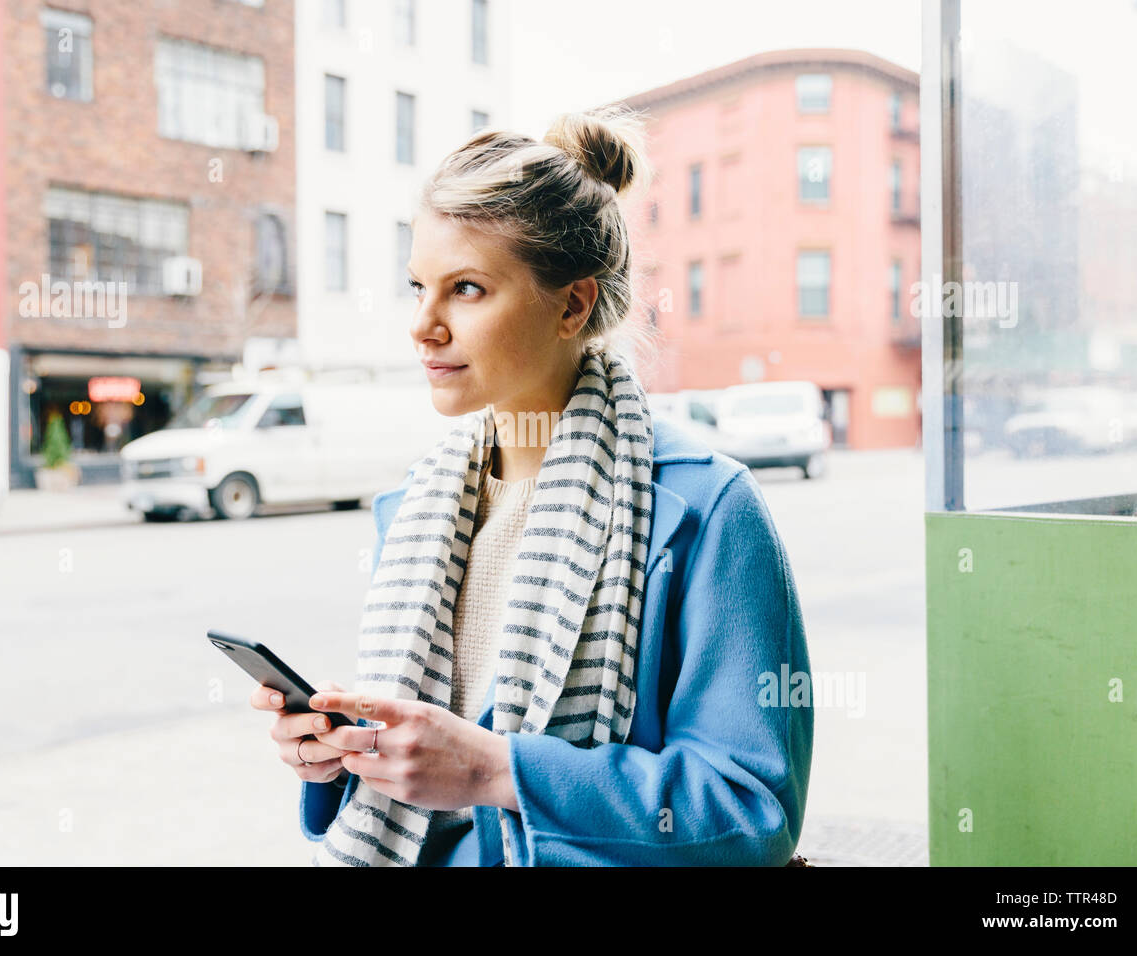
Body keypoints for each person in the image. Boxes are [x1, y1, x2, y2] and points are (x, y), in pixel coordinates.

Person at [251, 105, 813, 866]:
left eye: (468, 289)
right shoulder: (416, 508)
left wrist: (494, 771)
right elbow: (419, 797)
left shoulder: (705, 510)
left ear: (573, 304)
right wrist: (339, 757)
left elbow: (752, 815)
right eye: (419, 285)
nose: (423, 324)